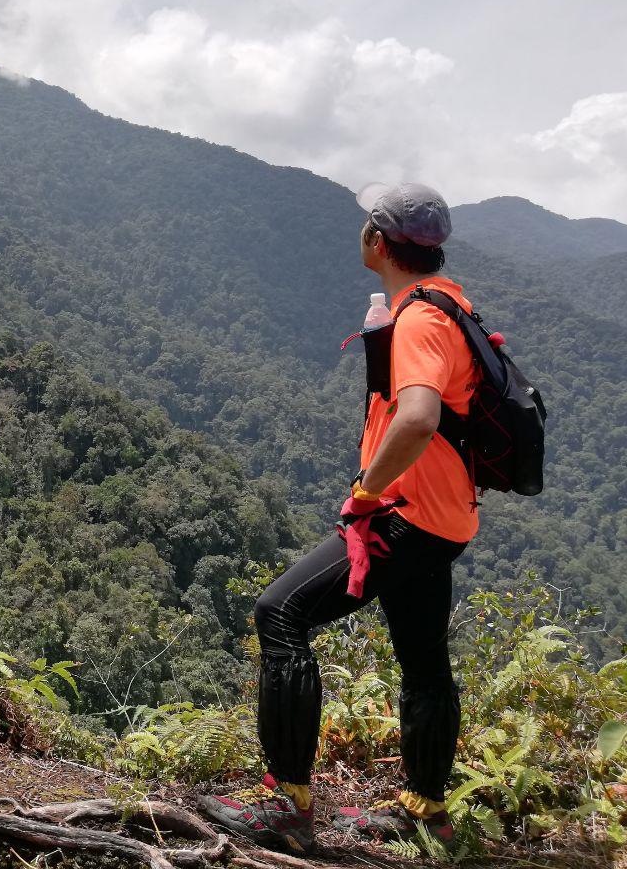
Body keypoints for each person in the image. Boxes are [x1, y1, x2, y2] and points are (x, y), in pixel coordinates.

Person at [201, 183, 477, 854]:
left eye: (365, 225)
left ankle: (286, 801)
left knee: (280, 614)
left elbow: (416, 419)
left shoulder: (420, 322)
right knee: (422, 656)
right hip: (446, 516)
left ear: (378, 243)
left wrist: (364, 491)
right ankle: (424, 807)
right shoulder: (448, 304)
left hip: (401, 513)